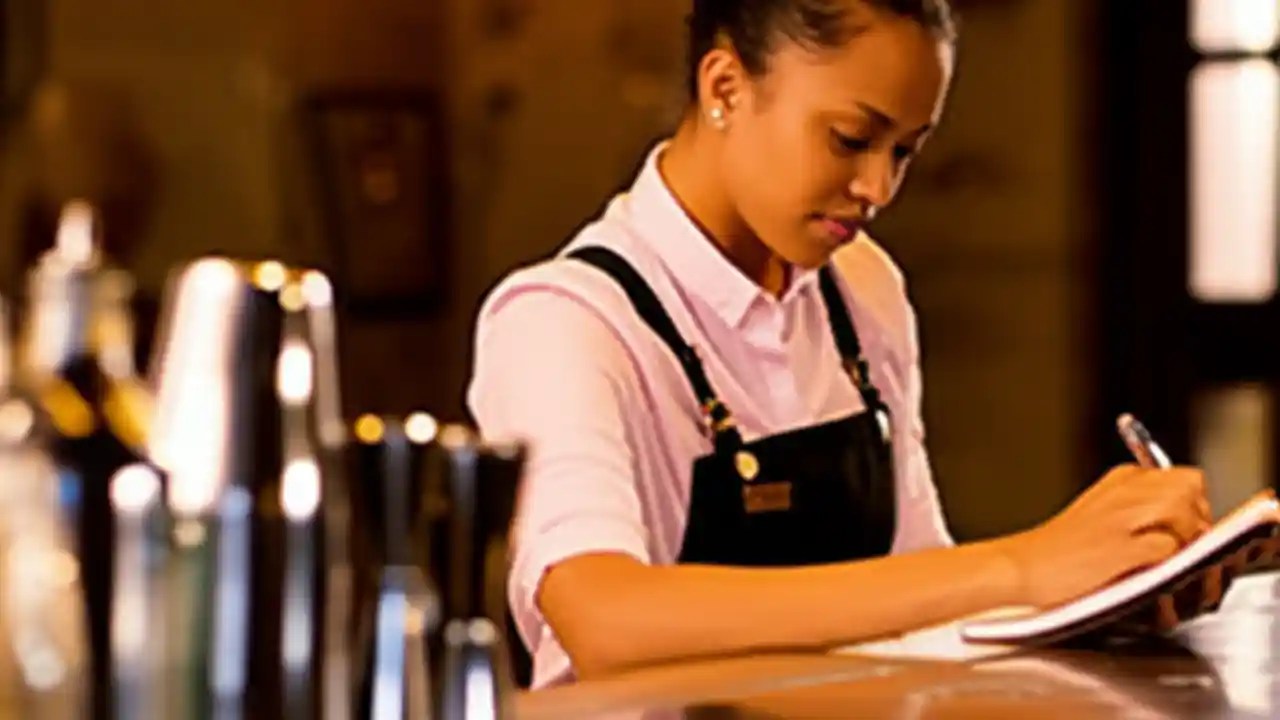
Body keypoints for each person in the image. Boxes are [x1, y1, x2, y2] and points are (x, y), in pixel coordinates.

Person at [467, 0, 1214, 689]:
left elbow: (924, 598)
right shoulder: (565, 321)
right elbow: (605, 618)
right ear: (725, 86)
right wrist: (1021, 565)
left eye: (904, 152)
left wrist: (1100, 594)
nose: (878, 188)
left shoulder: (863, 291)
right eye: (851, 139)